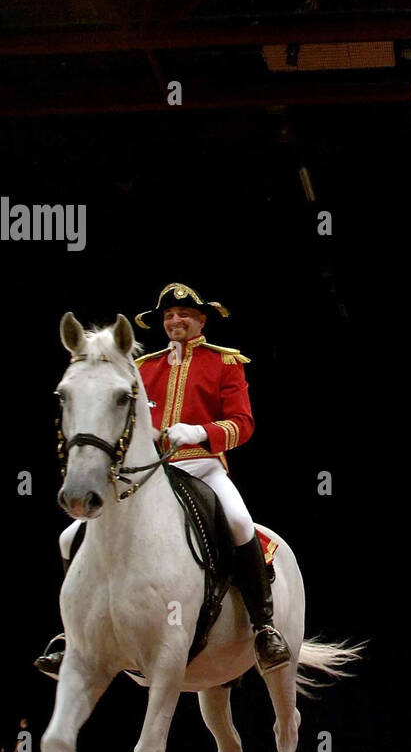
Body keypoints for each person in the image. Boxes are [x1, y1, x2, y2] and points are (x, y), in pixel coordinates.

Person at [36, 283, 290, 678]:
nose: (176, 321)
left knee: (240, 522)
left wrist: (202, 432)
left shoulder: (224, 363)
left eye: (184, 314)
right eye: (169, 315)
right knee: (70, 537)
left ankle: (264, 627)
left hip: (203, 465)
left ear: (201, 319)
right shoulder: (144, 367)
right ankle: (72, 636)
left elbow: (243, 425)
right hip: (153, 472)